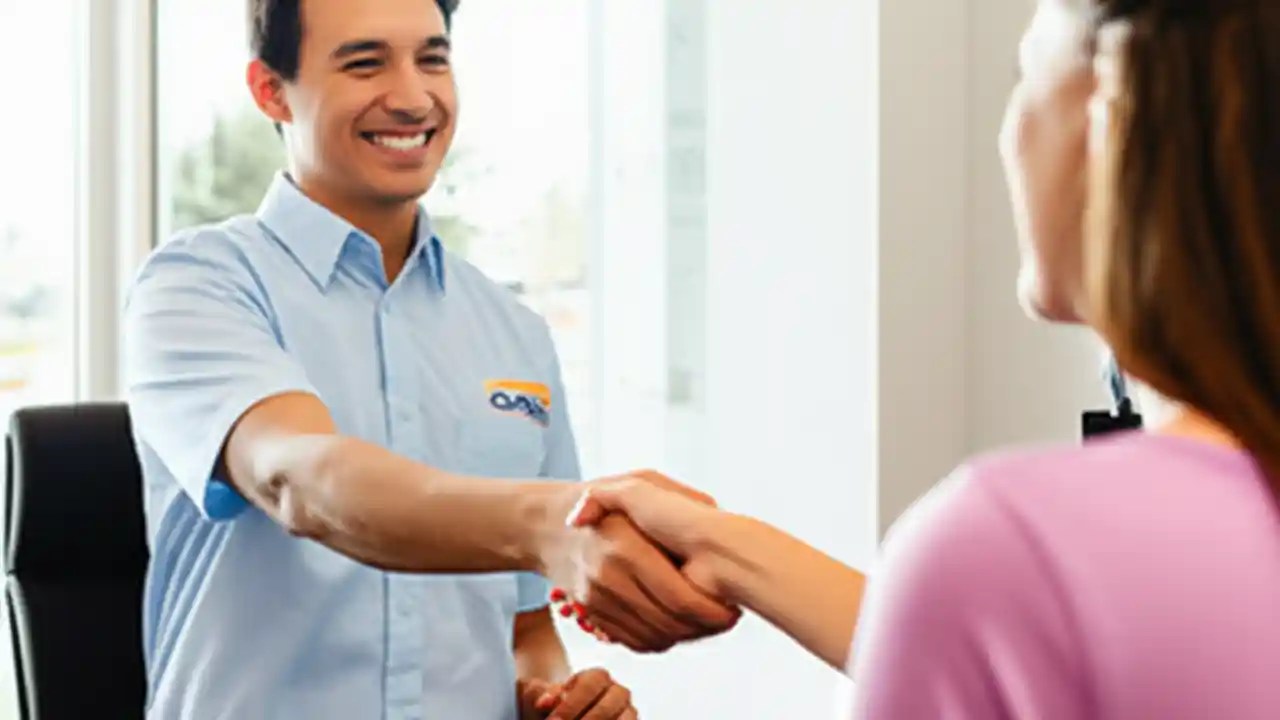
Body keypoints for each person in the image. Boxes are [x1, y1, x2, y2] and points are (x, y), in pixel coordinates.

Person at [571, 0, 1280, 716]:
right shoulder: (1045, 563)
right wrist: (728, 549)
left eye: (1021, 77)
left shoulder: (1009, 543)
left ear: (1109, 128)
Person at [122, 0, 738, 718]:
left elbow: (526, 627)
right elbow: (301, 479)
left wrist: (556, 696)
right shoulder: (198, 284)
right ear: (271, 89)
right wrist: (546, 528)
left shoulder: (515, 332)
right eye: (365, 62)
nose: (414, 96)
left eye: (433, 58)